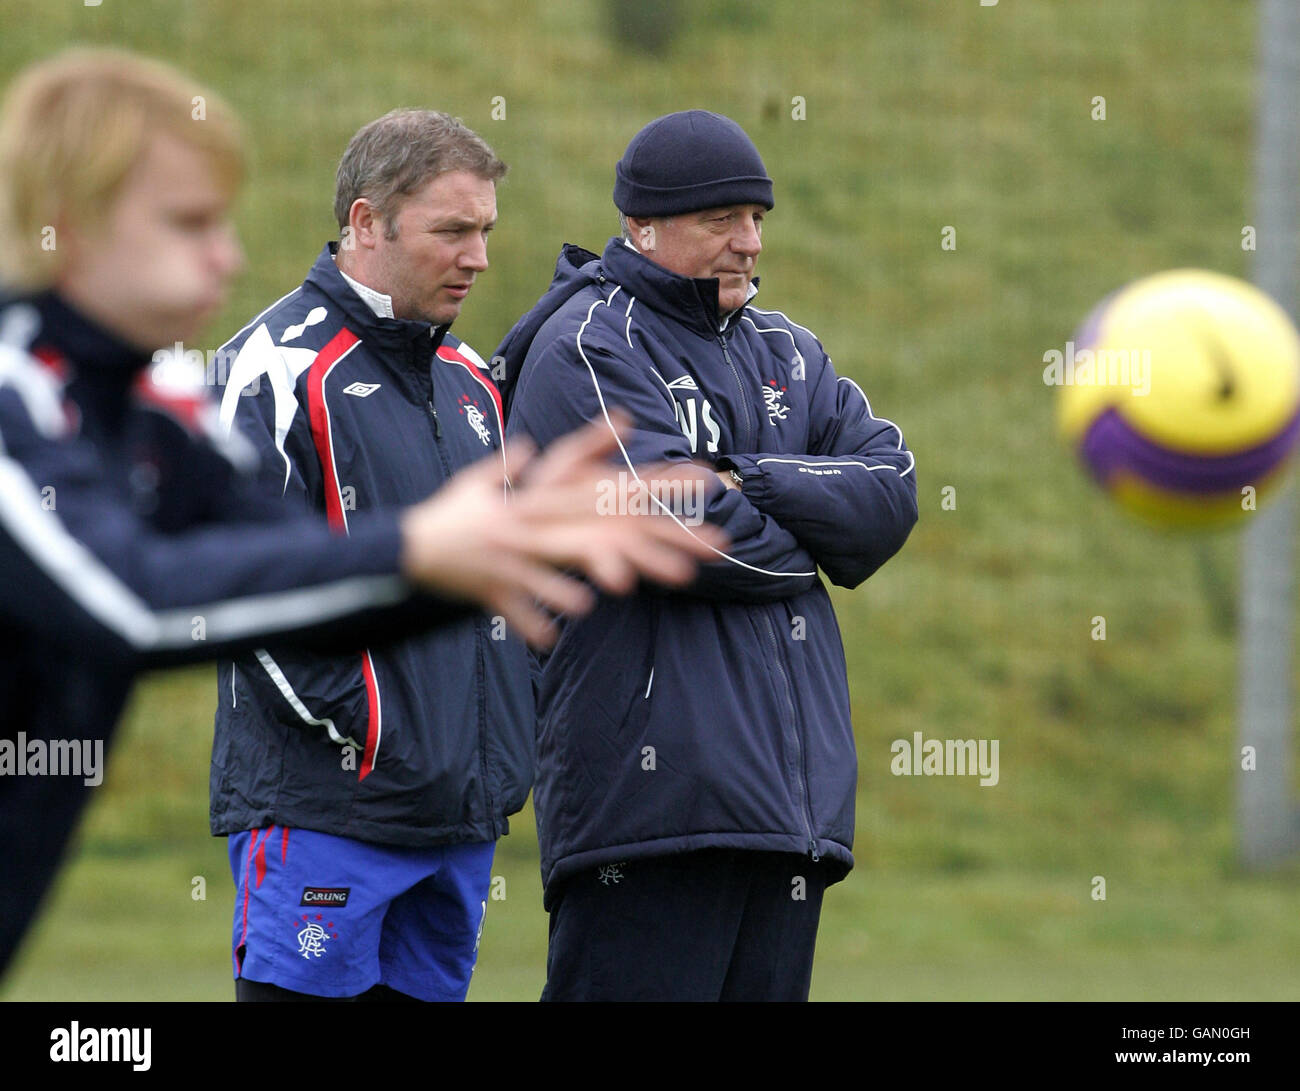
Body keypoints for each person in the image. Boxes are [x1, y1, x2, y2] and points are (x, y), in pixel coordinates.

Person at [0, 51, 720, 982]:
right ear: (69, 227)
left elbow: (291, 566)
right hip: (324, 813)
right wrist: (421, 557)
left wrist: (477, 563)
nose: (229, 254)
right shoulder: (17, 395)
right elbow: (129, 603)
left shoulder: (161, 404)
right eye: (187, 223)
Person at [497, 109, 919, 1001]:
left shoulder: (791, 352)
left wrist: (746, 475)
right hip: (648, 813)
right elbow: (674, 527)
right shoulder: (588, 342)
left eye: (757, 219)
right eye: (719, 220)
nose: (747, 242)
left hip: (787, 816)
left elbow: (889, 497)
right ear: (640, 227)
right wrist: (807, 524)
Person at [209, 110, 524, 1002]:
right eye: (452, 232)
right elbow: (245, 591)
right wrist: (376, 729)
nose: (478, 258)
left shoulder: (472, 380)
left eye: (486, 232)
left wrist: (504, 724)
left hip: (459, 824)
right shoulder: (271, 369)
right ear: (364, 223)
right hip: (326, 815)